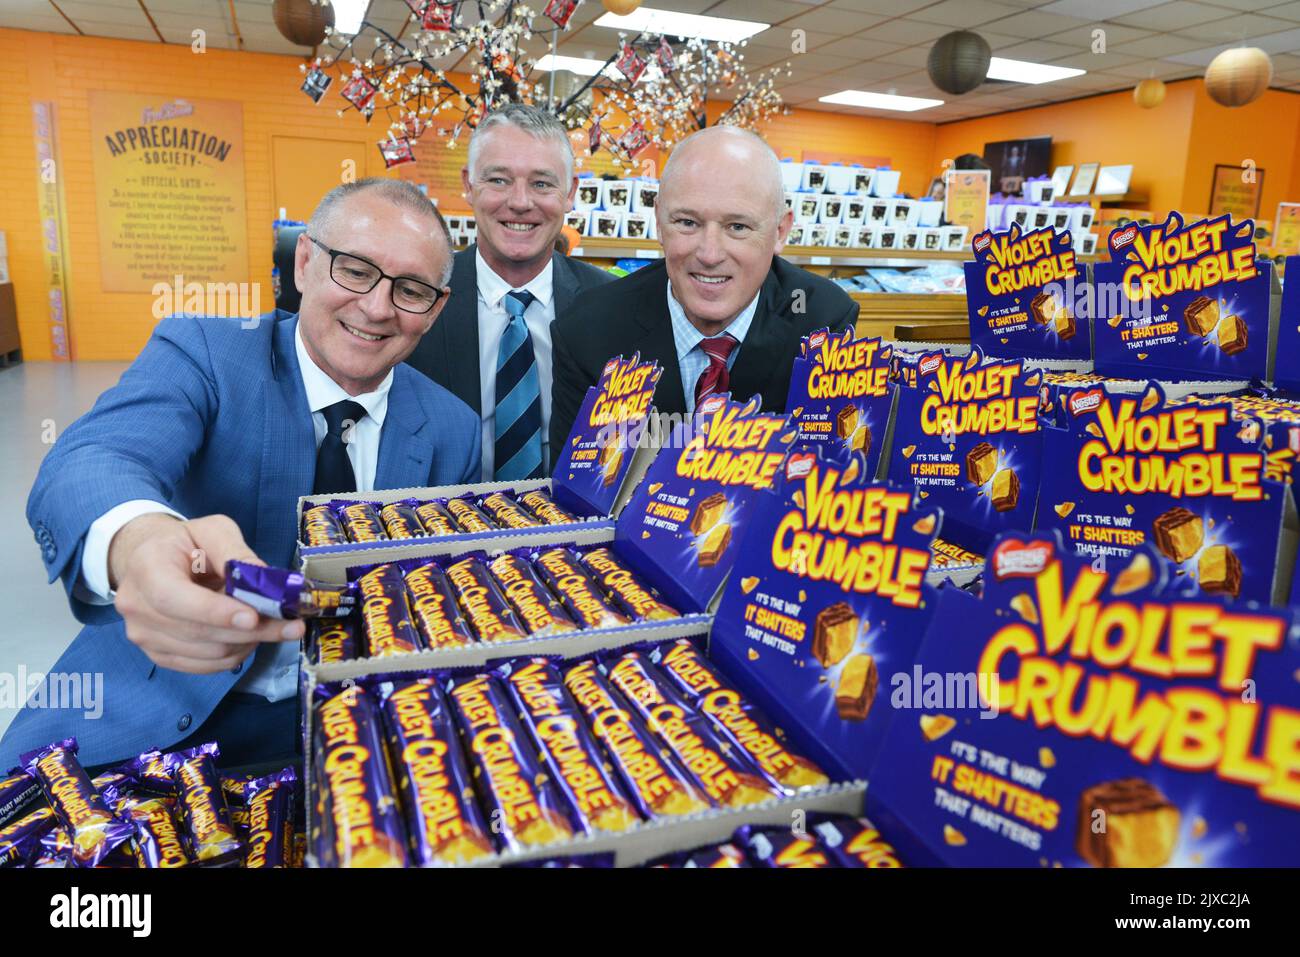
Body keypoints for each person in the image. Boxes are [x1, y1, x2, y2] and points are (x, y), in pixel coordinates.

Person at [2, 178, 480, 770]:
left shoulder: (453, 429)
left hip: (348, 729)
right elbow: (97, 456)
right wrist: (140, 542)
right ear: (304, 263)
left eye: (411, 290)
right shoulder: (205, 351)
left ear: (435, 309)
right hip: (153, 705)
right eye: (354, 270)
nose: (378, 308)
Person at [549, 126, 859, 453]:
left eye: (737, 227)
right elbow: (574, 492)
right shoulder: (587, 330)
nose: (710, 255)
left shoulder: (823, 323)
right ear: (658, 221)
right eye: (687, 223)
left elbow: (828, 472)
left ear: (780, 231)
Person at [405, 104, 614, 481]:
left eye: (542, 183)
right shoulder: (417, 299)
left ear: (570, 193)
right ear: (468, 186)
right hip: (442, 528)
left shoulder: (611, 305)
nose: (520, 202)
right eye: (499, 180)